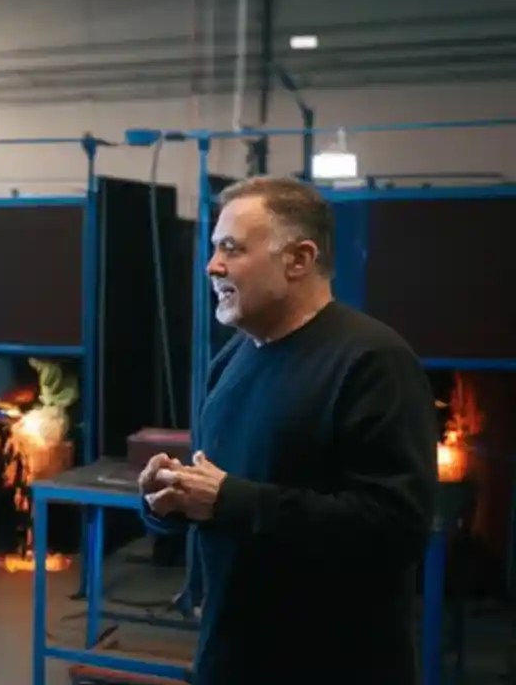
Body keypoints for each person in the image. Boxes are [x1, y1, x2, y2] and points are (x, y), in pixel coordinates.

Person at [138, 176, 437, 685]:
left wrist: (230, 500)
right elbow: (222, 500)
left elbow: (395, 528)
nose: (213, 266)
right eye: (214, 249)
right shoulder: (233, 359)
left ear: (298, 260)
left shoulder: (372, 362)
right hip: (231, 658)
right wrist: (170, 501)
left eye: (231, 249)